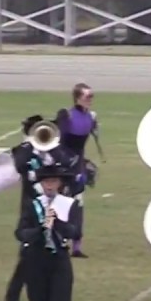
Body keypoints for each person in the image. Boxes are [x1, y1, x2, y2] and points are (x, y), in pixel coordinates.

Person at [14, 164, 81, 301]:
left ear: (60, 183)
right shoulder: (33, 204)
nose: (49, 185)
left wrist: (57, 223)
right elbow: (20, 232)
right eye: (46, 182)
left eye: (53, 181)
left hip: (59, 260)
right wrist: (40, 229)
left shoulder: (70, 204)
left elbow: (75, 231)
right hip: (36, 260)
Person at [4, 115, 76, 301]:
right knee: (29, 248)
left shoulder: (55, 149)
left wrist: (50, 148)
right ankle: (13, 295)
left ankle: (47, 291)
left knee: (53, 243)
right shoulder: (23, 150)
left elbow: (67, 162)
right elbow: (20, 165)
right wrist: (34, 147)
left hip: (54, 203)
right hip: (32, 204)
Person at [54, 84, 99, 258]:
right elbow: (59, 138)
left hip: (78, 164)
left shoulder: (91, 117)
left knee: (78, 204)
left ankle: (77, 246)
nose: (91, 100)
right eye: (88, 96)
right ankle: (59, 239)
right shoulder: (66, 115)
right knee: (61, 203)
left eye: (92, 96)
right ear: (78, 98)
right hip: (64, 164)